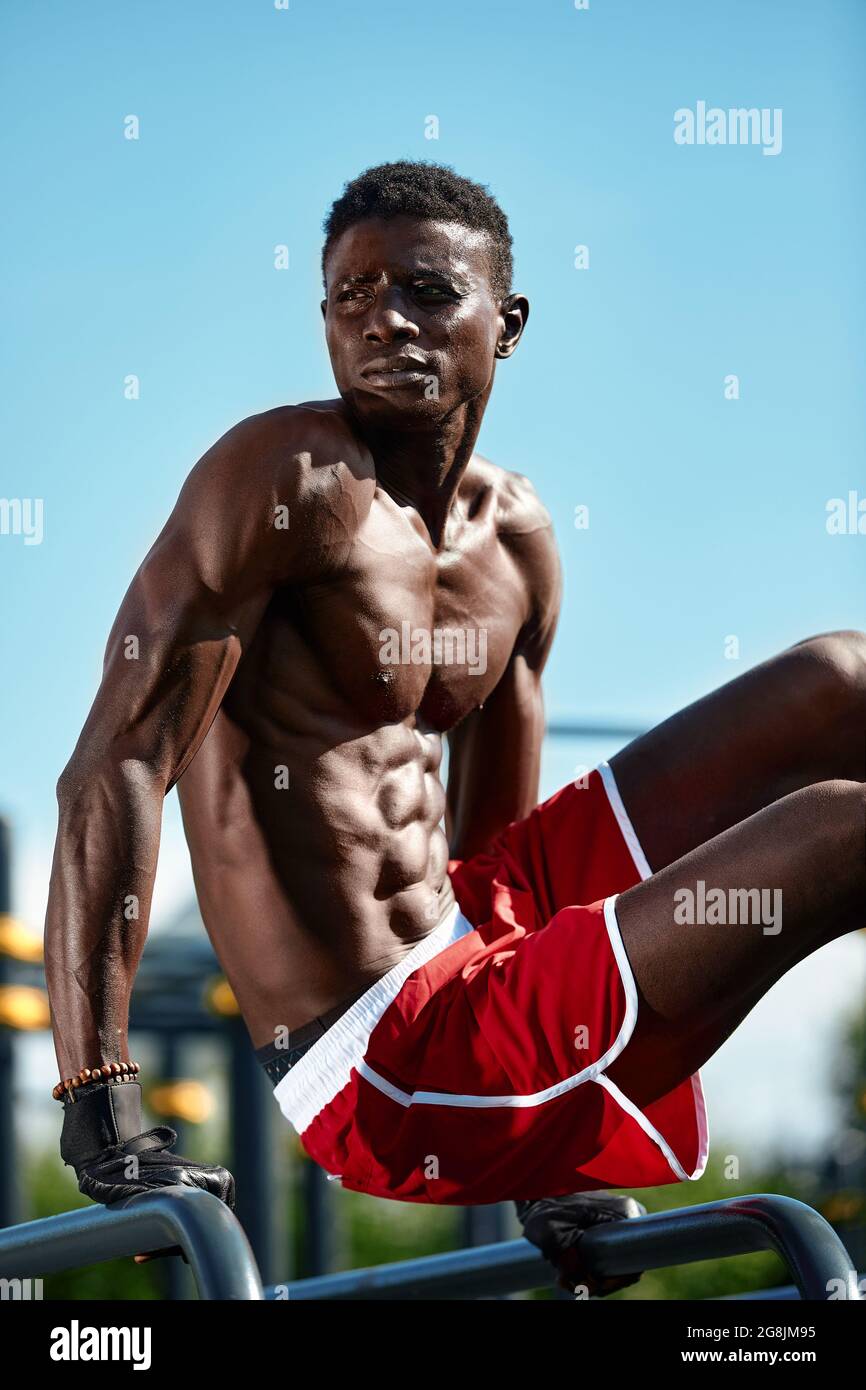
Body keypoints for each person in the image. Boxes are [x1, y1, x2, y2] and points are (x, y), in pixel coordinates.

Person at [44, 160, 866, 1296]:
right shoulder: (283, 481)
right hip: (377, 1065)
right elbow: (115, 760)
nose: (382, 319)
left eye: (426, 292)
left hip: (473, 955)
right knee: (837, 834)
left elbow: (499, 861)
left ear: (507, 323)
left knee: (839, 679)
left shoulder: (513, 539)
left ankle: (553, 1119)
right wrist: (99, 1098)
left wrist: (557, 1159)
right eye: (350, 295)